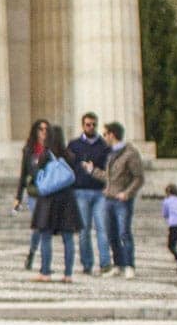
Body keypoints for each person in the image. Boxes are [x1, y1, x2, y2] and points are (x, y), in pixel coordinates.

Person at [28, 123, 83, 282]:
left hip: (48, 200)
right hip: (67, 200)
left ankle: (45, 272)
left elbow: (37, 174)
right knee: (68, 238)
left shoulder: (45, 155)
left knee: (45, 237)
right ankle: (68, 274)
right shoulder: (70, 155)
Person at [95, 121, 145, 278]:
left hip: (122, 200)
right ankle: (118, 264)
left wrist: (127, 193)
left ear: (112, 134)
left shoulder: (130, 153)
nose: (104, 137)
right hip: (109, 198)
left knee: (124, 233)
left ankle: (129, 265)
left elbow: (138, 178)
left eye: (105, 134)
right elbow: (109, 177)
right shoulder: (111, 154)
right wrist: (93, 171)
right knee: (112, 234)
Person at [67, 112, 113, 276]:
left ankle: (105, 263)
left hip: (99, 192)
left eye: (93, 124)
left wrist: (94, 170)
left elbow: (109, 170)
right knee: (84, 230)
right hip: (80, 191)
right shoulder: (74, 145)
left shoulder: (104, 146)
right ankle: (87, 264)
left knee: (102, 228)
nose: (91, 127)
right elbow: (68, 167)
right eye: (88, 124)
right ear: (83, 125)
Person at [13, 119, 51, 270]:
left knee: (44, 227)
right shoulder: (29, 150)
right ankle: (33, 253)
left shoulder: (51, 150)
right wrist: (18, 197)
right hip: (35, 193)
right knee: (40, 225)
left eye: (46, 129)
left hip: (50, 193)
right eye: (41, 129)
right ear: (35, 131)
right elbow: (23, 174)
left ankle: (43, 262)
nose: (44, 132)